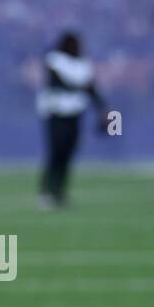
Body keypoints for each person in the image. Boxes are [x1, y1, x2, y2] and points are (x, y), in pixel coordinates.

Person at [37, 30, 106, 208]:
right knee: (56, 152)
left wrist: (103, 108)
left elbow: (91, 89)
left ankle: (59, 191)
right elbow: (58, 83)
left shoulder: (83, 64)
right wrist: (80, 87)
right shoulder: (55, 60)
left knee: (68, 152)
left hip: (74, 114)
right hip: (56, 112)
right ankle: (47, 191)